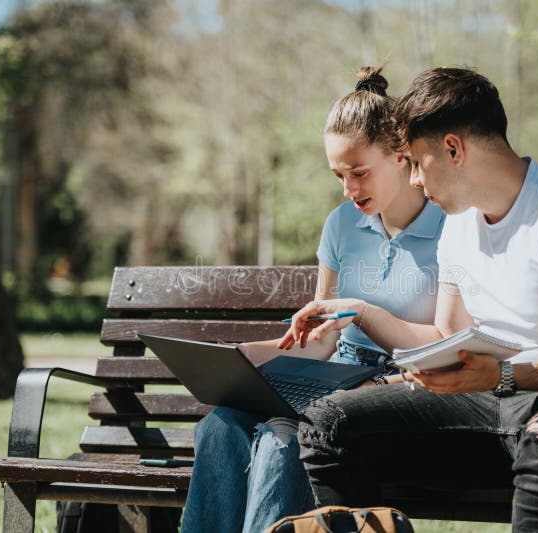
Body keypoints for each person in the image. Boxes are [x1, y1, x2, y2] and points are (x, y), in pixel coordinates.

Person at [283, 67, 538, 533]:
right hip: (493, 404)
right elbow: (445, 336)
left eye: (417, 162)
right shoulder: (458, 226)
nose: (415, 180)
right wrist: (375, 330)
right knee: (326, 424)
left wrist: (504, 375)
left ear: (454, 149)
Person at [179, 66, 445, 533]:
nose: (348, 190)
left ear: (401, 155)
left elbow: (447, 342)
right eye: (338, 175)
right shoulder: (341, 225)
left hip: (397, 387)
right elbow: (320, 341)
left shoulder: (451, 226)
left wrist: (369, 322)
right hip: (333, 373)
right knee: (220, 425)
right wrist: (243, 359)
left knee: (282, 440)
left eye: (359, 173)